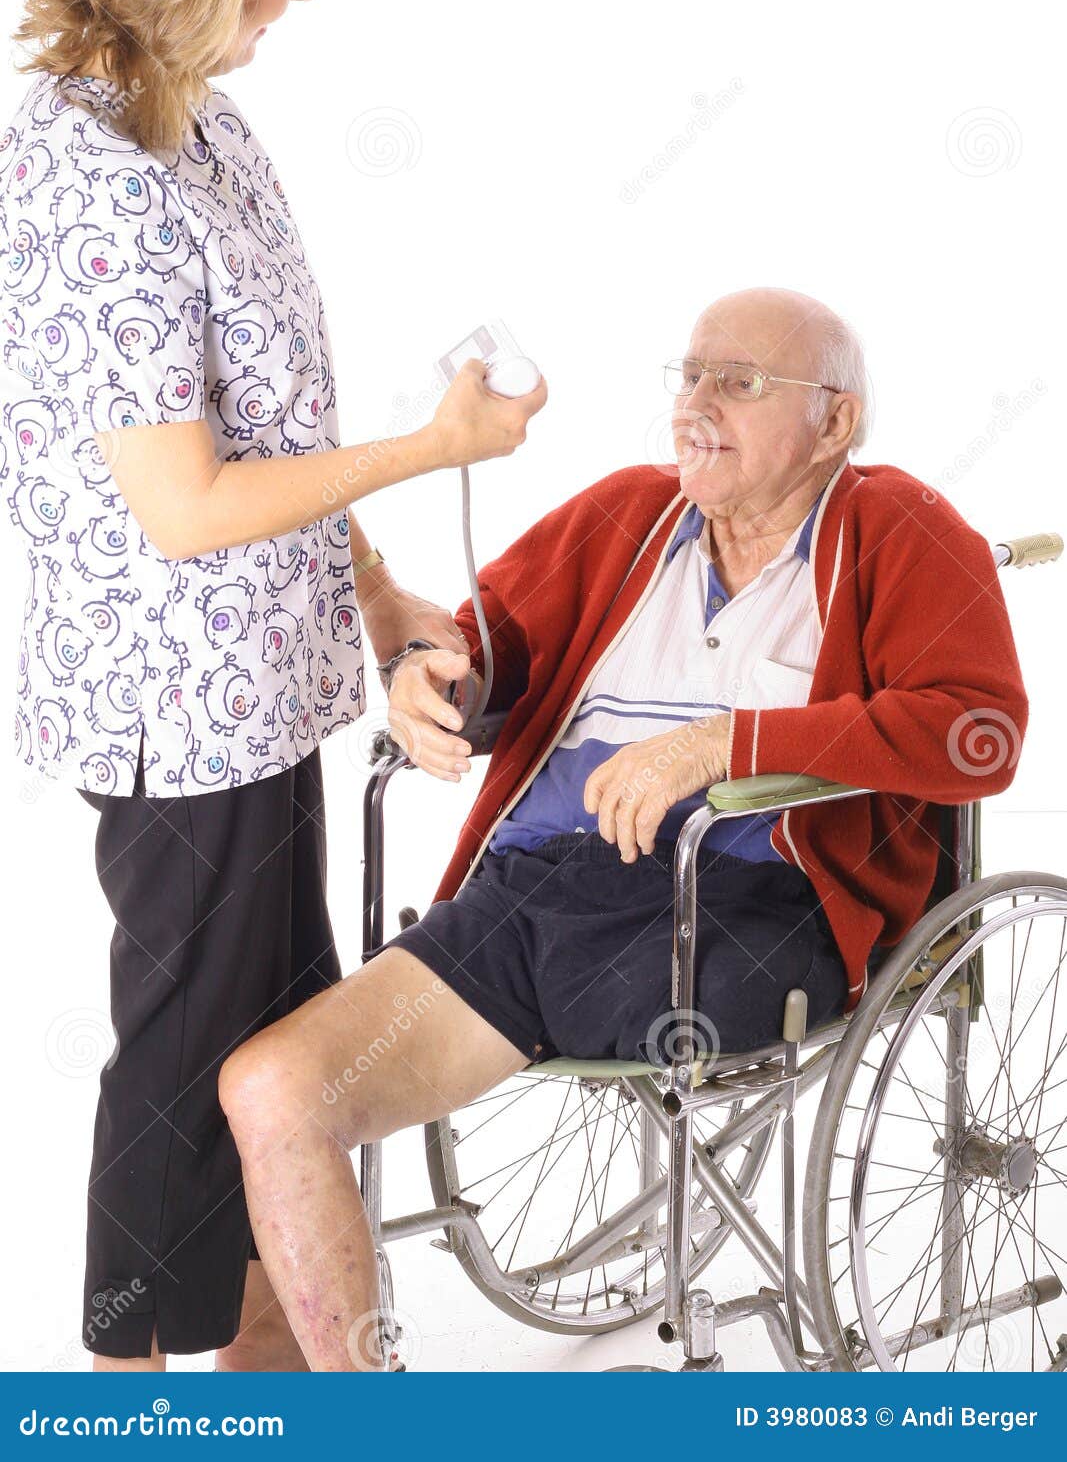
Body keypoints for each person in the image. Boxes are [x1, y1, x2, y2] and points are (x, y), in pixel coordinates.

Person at [218, 286, 1028, 1370]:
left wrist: (720, 746)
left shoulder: (900, 529)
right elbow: (481, 649)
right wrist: (428, 678)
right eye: (687, 376)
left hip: (746, 903)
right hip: (534, 890)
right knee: (267, 1088)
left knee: (615, 995)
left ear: (832, 422)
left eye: (737, 383)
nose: (694, 404)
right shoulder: (622, 513)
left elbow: (974, 729)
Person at [0, 0, 545, 1371]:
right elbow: (183, 505)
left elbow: (270, 433)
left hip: (264, 687)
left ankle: (277, 1361)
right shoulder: (91, 176)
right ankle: (123, 1382)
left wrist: (375, 601)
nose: (296, 1)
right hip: (178, 710)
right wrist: (429, 444)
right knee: (176, 1070)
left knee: (274, 1040)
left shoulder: (204, 122)